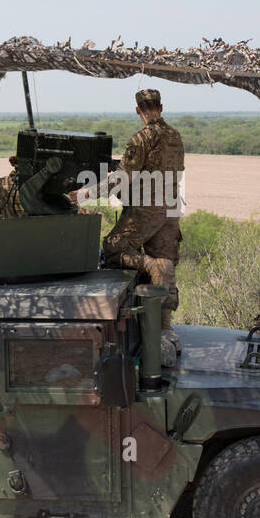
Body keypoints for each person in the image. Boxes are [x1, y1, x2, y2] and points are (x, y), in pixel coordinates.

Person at [73, 88, 185, 347]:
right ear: (161, 107)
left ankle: (151, 268)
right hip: (171, 208)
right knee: (165, 260)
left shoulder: (141, 139)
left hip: (147, 209)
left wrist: (85, 194)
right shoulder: (176, 136)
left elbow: (123, 178)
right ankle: (165, 331)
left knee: (113, 248)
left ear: (138, 110)